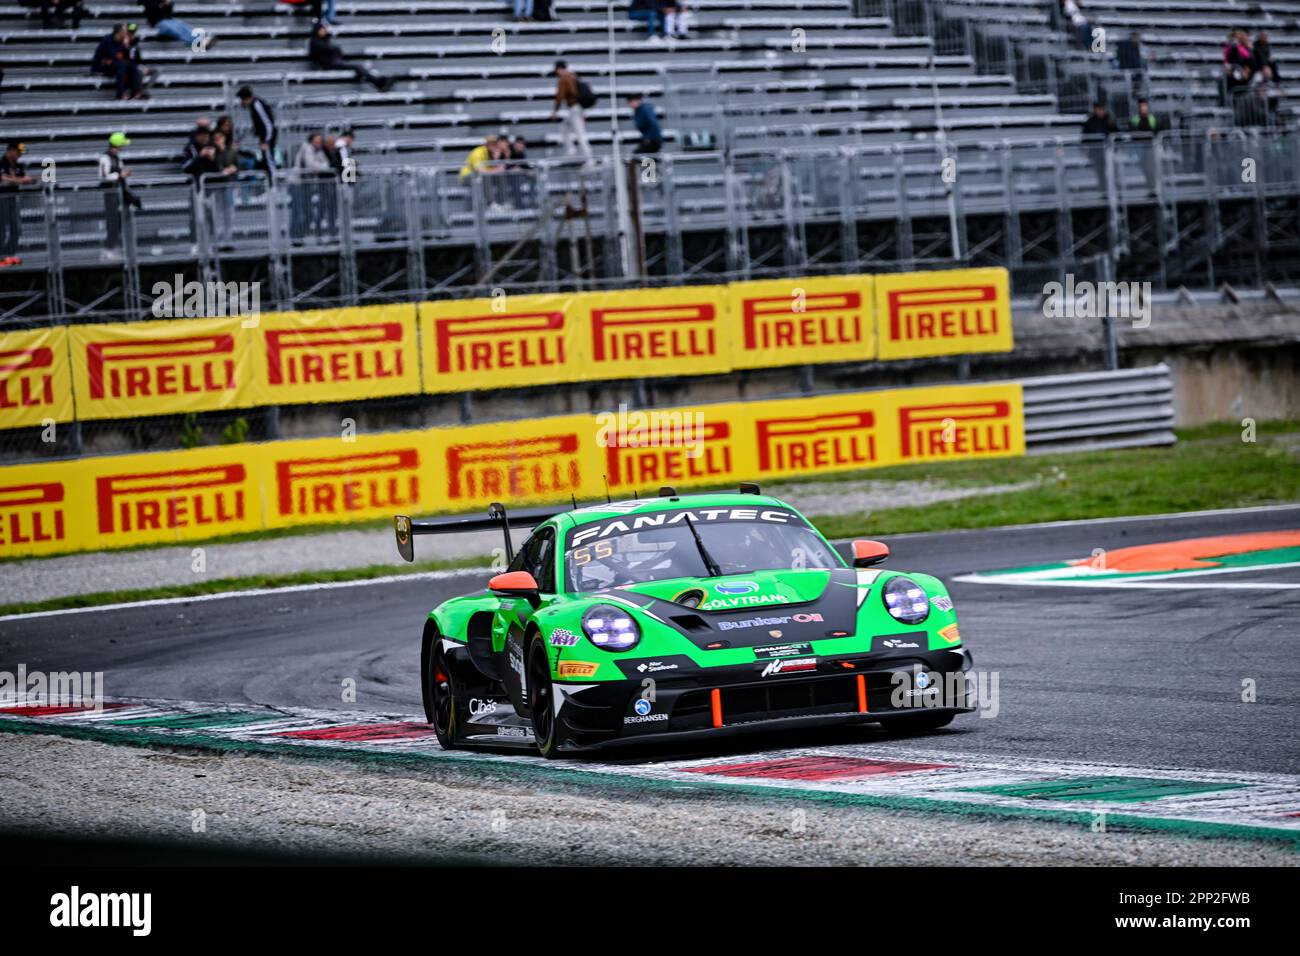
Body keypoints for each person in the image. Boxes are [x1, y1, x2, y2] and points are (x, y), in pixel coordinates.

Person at [308, 21, 394, 91]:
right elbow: (328, 51)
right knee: (358, 66)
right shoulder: (314, 42)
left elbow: (334, 50)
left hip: (334, 62)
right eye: (322, 29)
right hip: (329, 64)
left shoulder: (323, 40)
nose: (324, 31)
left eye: (324, 29)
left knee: (359, 68)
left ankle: (378, 81)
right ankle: (378, 82)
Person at [98, 132, 141, 258]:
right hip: (110, 193)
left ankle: (113, 248)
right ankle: (108, 250)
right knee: (112, 222)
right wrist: (119, 175)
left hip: (118, 193)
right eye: (121, 145)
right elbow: (103, 177)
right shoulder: (104, 158)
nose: (123, 148)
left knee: (118, 223)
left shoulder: (117, 158)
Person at [292, 131, 334, 241]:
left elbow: (327, 164)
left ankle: (300, 237)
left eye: (320, 142)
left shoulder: (319, 151)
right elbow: (312, 166)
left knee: (309, 213)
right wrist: (321, 166)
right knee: (300, 212)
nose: (318, 144)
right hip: (299, 184)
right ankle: (297, 238)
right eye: (316, 141)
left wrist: (321, 166)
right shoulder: (307, 149)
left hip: (308, 185)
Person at [549, 60, 594, 162]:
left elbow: (559, 97)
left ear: (560, 69)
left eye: (557, 70)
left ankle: (590, 160)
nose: (556, 73)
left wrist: (555, 111)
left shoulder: (564, 79)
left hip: (574, 108)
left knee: (580, 134)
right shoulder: (573, 76)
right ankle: (571, 150)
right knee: (564, 126)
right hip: (578, 108)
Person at [91, 24, 147, 100]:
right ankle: (120, 94)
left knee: (132, 65)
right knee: (122, 65)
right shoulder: (107, 40)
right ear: (119, 32)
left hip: (116, 65)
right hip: (103, 66)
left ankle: (136, 93)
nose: (127, 32)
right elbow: (112, 54)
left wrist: (127, 47)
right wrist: (124, 46)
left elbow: (129, 57)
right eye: (125, 31)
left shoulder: (123, 41)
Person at [0, 142, 33, 267]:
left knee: (16, 228)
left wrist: (29, 180)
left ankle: (9, 254)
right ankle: (1, 256)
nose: (19, 155)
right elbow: (3, 179)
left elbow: (23, 177)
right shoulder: (1, 163)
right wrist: (19, 180)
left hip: (12, 200)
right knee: (1, 229)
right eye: (18, 152)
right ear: (10, 150)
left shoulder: (18, 166)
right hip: (1, 200)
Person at [237, 86, 278, 178]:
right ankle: (270, 183)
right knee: (265, 161)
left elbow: (268, 123)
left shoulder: (257, 105)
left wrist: (267, 141)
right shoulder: (253, 106)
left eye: (242, 100)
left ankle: (274, 184)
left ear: (246, 98)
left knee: (269, 161)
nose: (241, 103)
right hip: (264, 136)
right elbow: (258, 125)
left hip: (267, 137)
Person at [138, 1, 211, 48]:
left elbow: (169, 12)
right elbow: (154, 12)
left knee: (182, 25)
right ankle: (195, 42)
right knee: (175, 29)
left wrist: (168, 4)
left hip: (168, 19)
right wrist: (161, 6)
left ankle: (201, 36)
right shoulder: (149, 3)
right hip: (158, 23)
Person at [1081, 101, 1115, 190]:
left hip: (1108, 151)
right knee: (1100, 173)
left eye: (1102, 109)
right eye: (1099, 109)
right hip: (1096, 152)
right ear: (1095, 110)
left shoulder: (1109, 120)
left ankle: (1113, 190)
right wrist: (1085, 151)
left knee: (1112, 171)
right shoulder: (1089, 122)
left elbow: (1116, 134)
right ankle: (1104, 190)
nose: (1101, 111)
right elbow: (1084, 138)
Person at [1128, 99, 1158, 191]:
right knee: (1144, 168)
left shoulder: (1152, 119)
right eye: (1142, 106)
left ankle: (1154, 187)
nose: (1143, 108)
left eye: (1145, 106)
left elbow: (1157, 132)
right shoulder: (1135, 120)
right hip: (1140, 148)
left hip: (1151, 147)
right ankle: (1151, 187)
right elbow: (1132, 134)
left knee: (1150, 168)